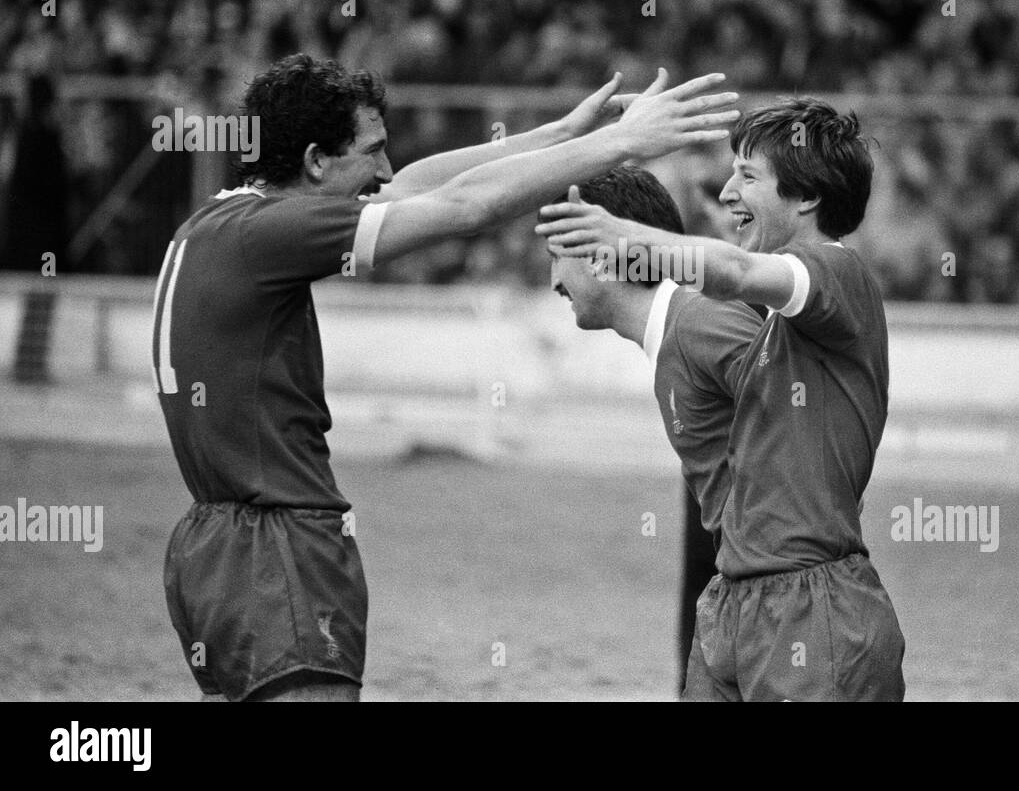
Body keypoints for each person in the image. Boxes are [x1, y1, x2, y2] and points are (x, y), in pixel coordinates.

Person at [152, 54, 737, 701]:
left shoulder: (220, 222)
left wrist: (561, 134)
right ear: (317, 161)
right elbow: (461, 205)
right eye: (372, 150)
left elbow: (409, 189)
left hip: (209, 548)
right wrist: (623, 143)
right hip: (278, 547)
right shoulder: (271, 233)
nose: (384, 168)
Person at [538, 98, 905, 700]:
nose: (728, 191)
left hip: (813, 607)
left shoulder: (838, 273)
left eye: (748, 175)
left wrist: (625, 236)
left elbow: (733, 271)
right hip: (736, 601)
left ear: (807, 196)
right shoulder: (773, 325)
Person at [542, 166, 762, 690]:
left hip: (784, 607)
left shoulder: (701, 324)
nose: (554, 281)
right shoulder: (679, 332)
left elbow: (812, 419)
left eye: (558, 258)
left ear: (605, 250)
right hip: (745, 598)